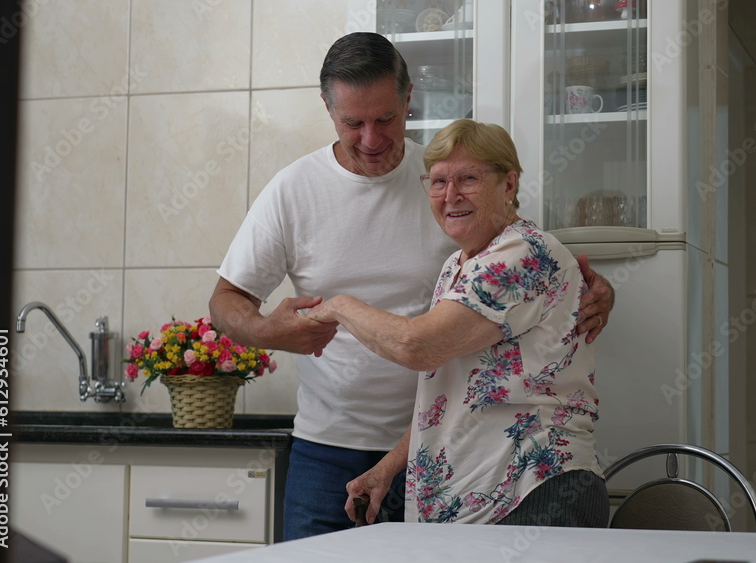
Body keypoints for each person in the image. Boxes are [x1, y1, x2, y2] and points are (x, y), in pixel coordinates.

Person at [209, 32, 614, 539]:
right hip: (344, 448)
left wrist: (593, 292)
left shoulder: (446, 182)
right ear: (328, 109)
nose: (372, 139)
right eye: (353, 123)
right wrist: (271, 331)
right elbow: (225, 302)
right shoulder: (294, 191)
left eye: (386, 119)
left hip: (483, 466)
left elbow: (521, 270)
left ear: (408, 99)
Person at [307, 119, 608, 527]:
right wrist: (388, 468)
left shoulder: (522, 253)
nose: (450, 195)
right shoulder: (459, 264)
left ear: (508, 184)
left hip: (534, 491)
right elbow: (449, 391)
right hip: (479, 500)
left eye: (468, 178)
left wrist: (338, 306)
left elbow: (416, 346)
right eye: (438, 181)